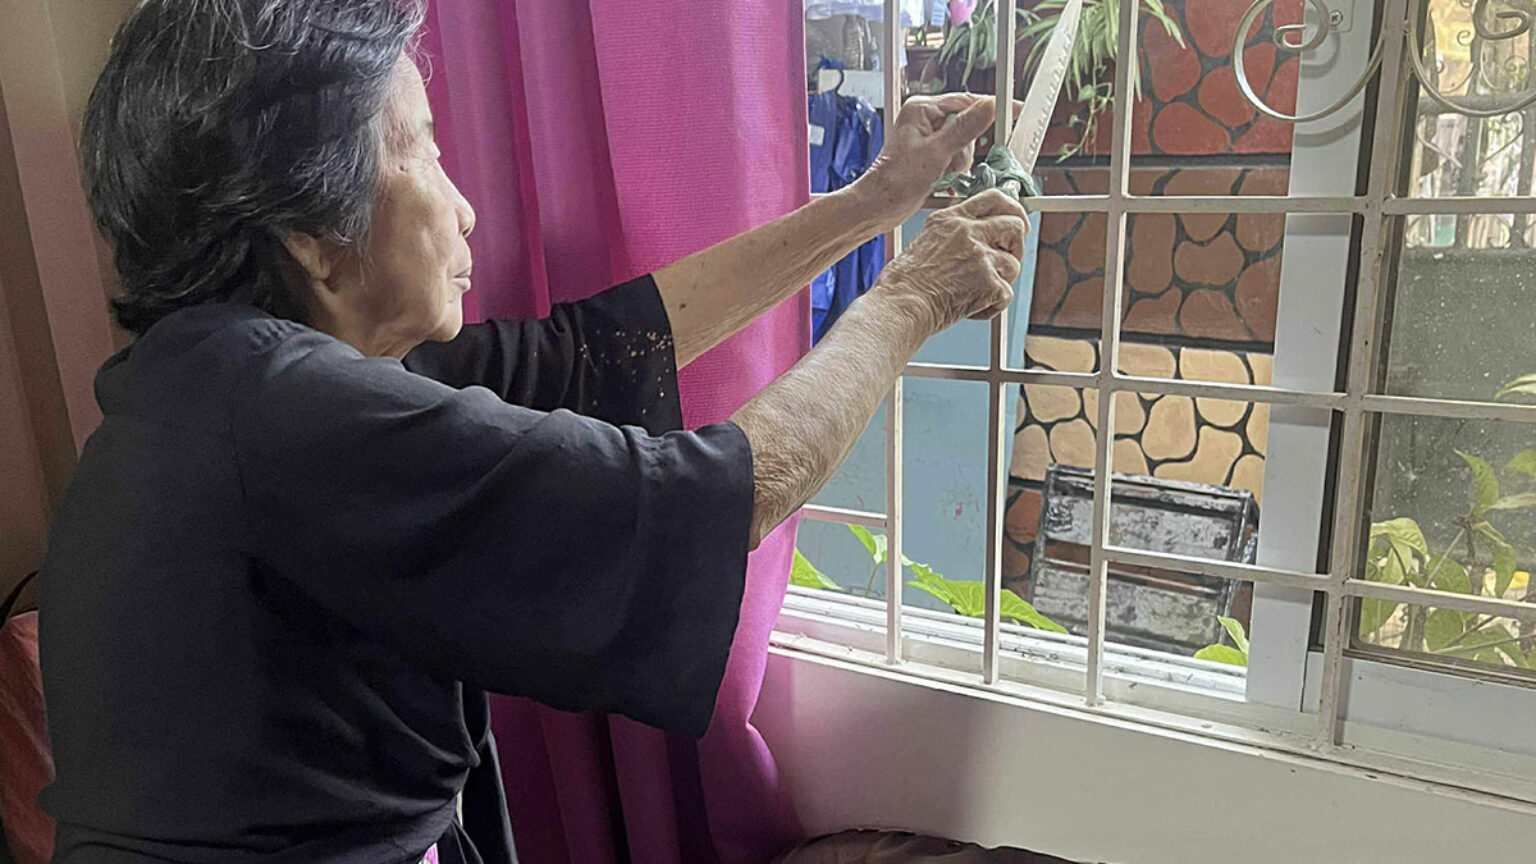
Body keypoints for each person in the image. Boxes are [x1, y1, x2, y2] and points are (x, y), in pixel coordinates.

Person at [37, 1, 1029, 862]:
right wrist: (910, 299)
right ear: (310, 228)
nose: (463, 207)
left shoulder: (220, 380)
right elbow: (721, 492)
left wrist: (874, 203)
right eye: (420, 149)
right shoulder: (283, 414)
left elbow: (600, 346)